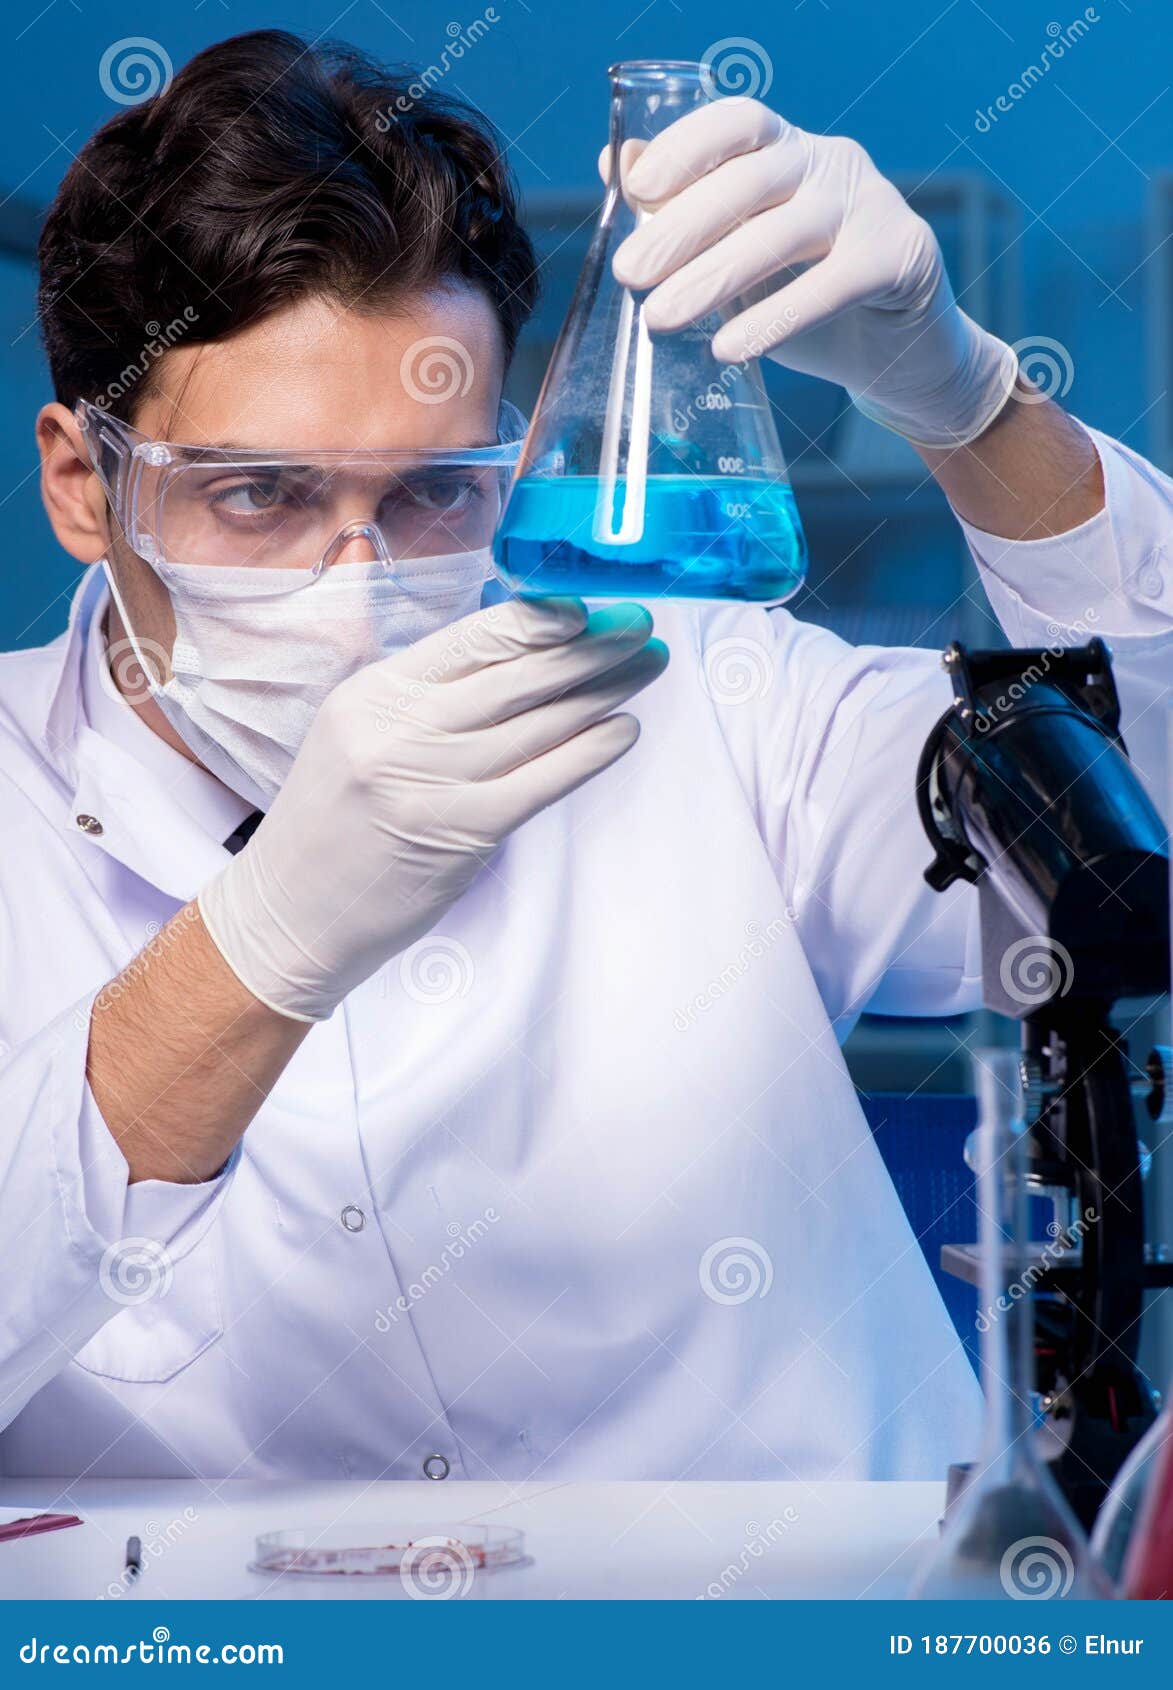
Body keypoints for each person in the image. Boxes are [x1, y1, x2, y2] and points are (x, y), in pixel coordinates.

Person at [0, 30, 1167, 1484]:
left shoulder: (699, 692)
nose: (356, 588)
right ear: (81, 483)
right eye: (258, 495)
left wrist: (968, 402)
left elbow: (1141, 819)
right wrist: (257, 944)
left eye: (435, 492)